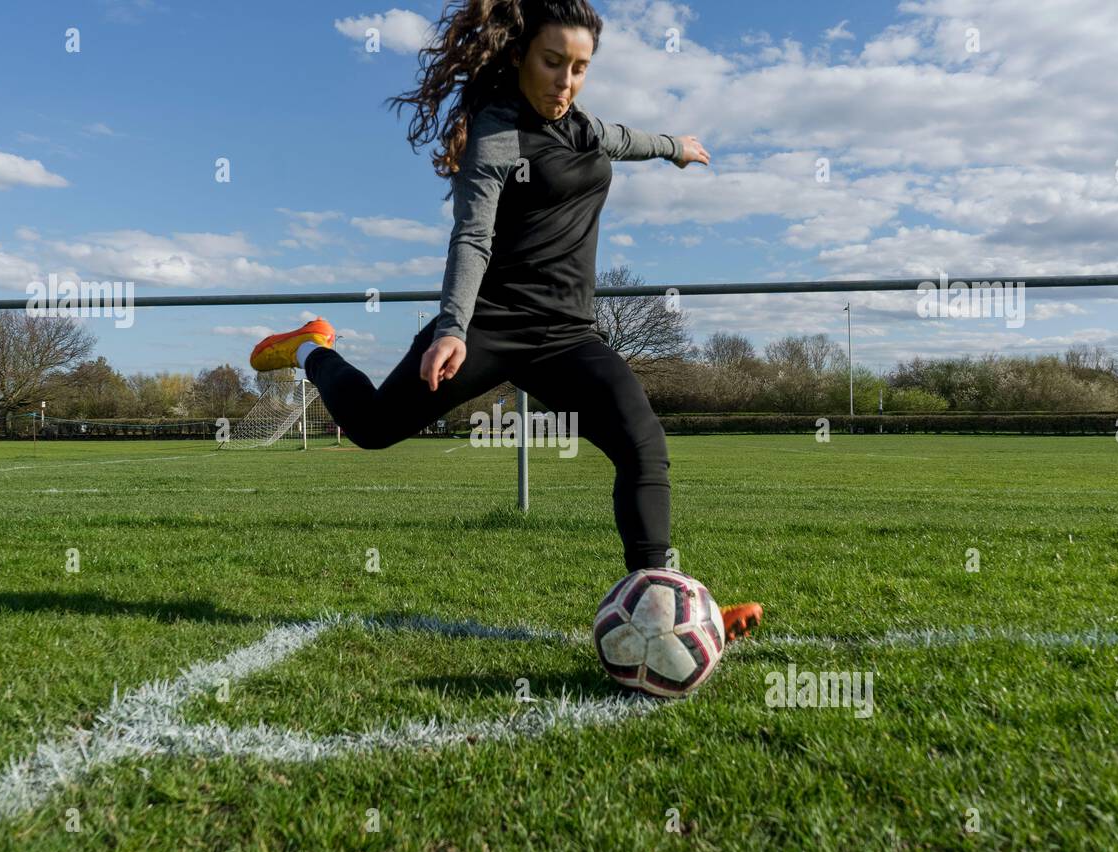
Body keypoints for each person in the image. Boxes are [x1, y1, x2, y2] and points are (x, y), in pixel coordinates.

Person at [251, 0, 761, 640]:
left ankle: (658, 605)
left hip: (568, 335)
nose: (565, 81)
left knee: (643, 446)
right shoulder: (496, 132)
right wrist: (452, 328)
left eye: (580, 68)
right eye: (553, 63)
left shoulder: (583, 128)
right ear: (520, 55)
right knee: (374, 429)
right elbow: (472, 238)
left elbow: (626, 139)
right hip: (488, 325)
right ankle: (312, 350)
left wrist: (676, 148)